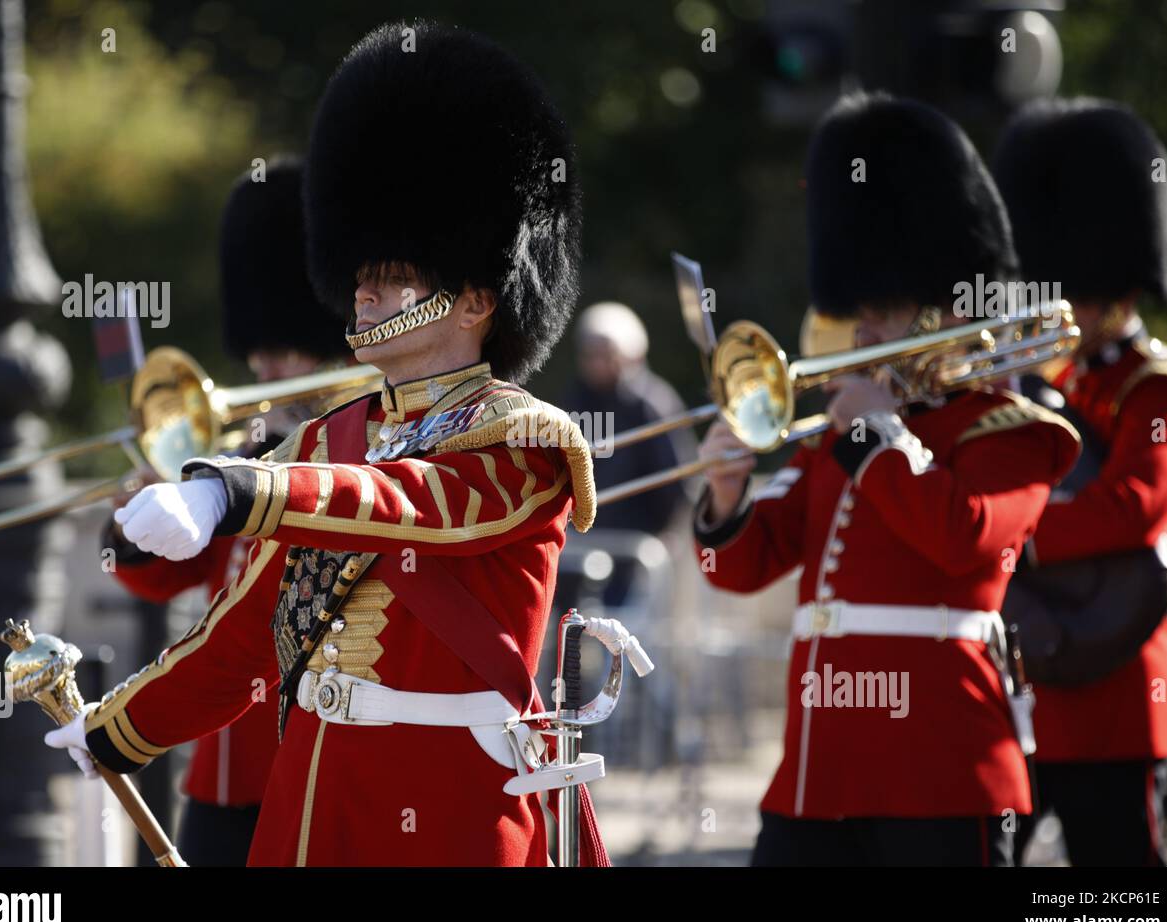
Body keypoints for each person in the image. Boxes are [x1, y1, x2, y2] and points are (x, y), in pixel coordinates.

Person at [46, 22, 604, 866]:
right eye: (362, 274)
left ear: (473, 299)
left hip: (450, 810)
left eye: (393, 276)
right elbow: (242, 636)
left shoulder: (524, 440)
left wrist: (234, 491)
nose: (364, 293)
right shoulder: (330, 436)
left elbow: (409, 504)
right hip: (310, 804)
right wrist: (119, 730)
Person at [693, 92, 1079, 866]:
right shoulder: (839, 432)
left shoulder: (1015, 433)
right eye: (859, 312)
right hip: (816, 768)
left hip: (937, 767)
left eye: (886, 313)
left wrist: (874, 433)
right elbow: (745, 567)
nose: (862, 334)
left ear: (942, 312)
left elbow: (962, 540)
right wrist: (727, 491)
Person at [101, 157, 352, 865]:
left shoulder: (364, 453)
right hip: (224, 757)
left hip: (315, 753)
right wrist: (141, 511)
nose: (266, 370)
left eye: (285, 350)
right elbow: (164, 578)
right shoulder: (247, 447)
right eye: (261, 351)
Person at [993, 98, 1167, 866]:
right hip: (1022, 678)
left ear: (1117, 289)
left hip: (1111, 675)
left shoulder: (1166, 390)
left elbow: (1132, 511)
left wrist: (996, 535)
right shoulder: (1035, 380)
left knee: (1117, 894)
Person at [559, 302, 690, 605]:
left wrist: (662, 537)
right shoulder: (575, 401)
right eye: (589, 354)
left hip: (636, 557)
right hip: (580, 552)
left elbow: (677, 482)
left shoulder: (652, 405)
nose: (597, 363)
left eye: (605, 354)